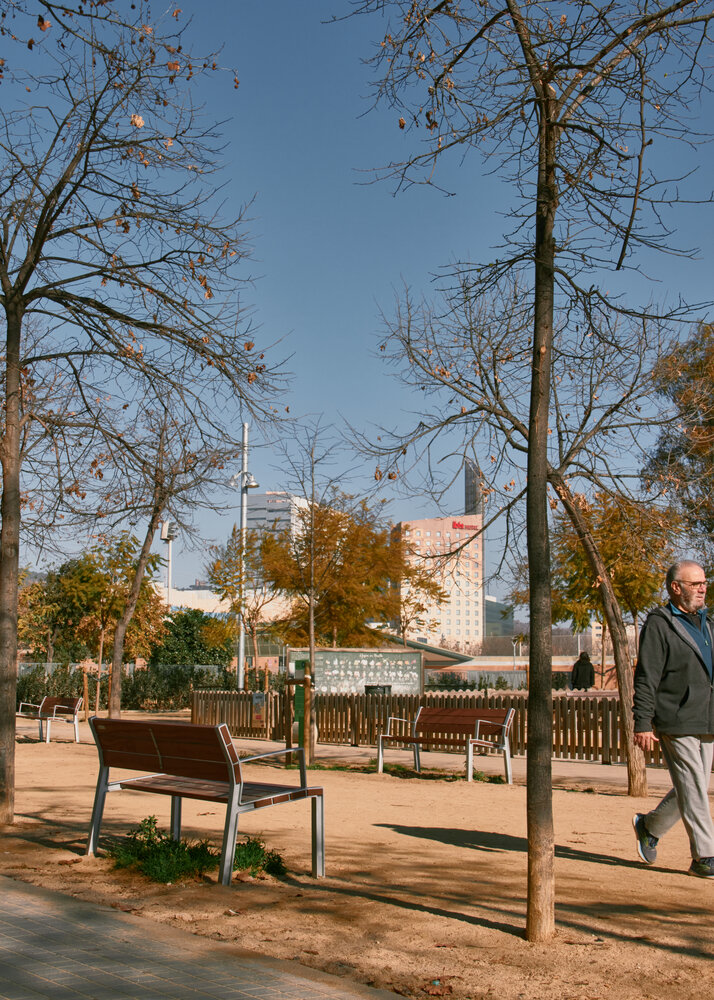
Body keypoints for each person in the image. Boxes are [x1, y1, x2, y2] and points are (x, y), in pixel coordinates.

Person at [632, 559, 714, 878]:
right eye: (695, 584)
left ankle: (649, 826)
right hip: (675, 719)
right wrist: (642, 722)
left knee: (691, 786)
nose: (703, 588)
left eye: (705, 582)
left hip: (706, 718)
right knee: (693, 785)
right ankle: (705, 857)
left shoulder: (707, 625)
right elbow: (646, 676)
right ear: (675, 587)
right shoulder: (659, 623)